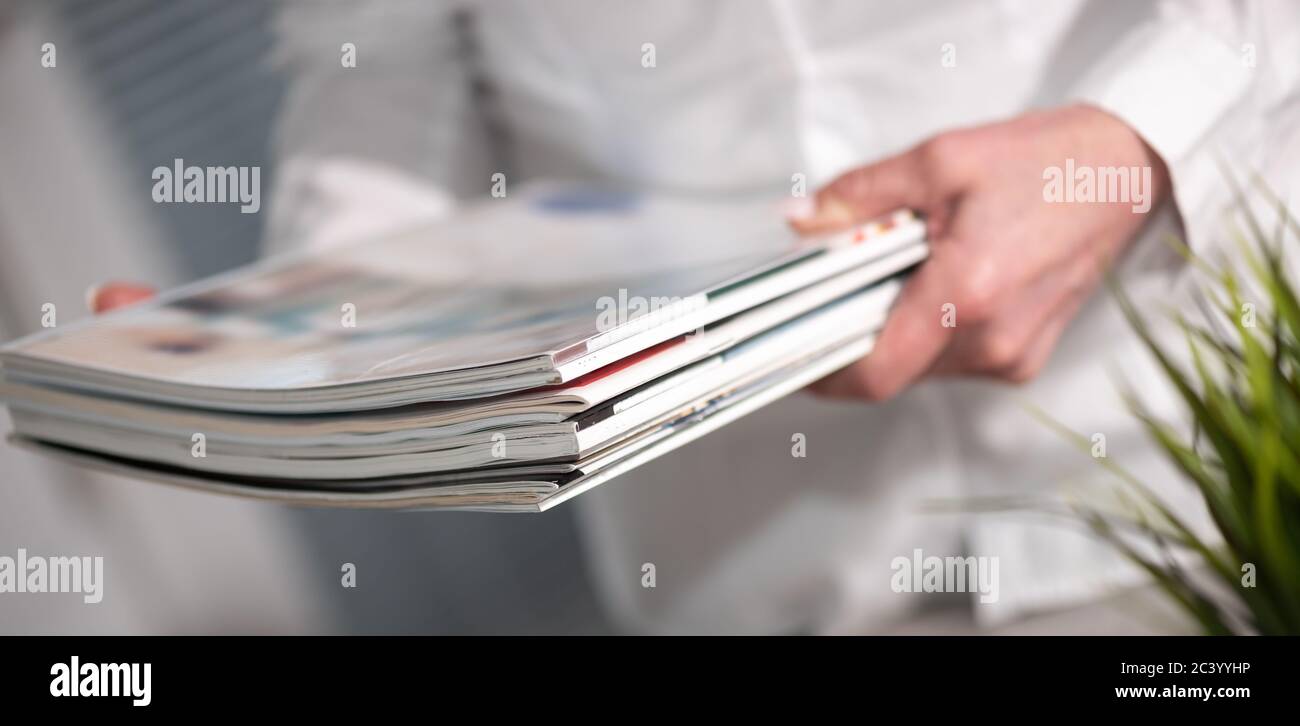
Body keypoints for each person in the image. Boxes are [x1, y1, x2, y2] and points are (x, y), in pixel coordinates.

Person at [91, 1, 1300, 634]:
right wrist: (323, 325)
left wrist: (1137, 131)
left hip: (1194, 479)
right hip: (757, 568)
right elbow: (379, 53)